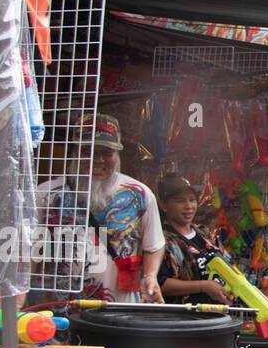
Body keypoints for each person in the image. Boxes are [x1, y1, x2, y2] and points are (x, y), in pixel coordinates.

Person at [84, 114, 165, 304]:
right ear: (74, 152)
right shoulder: (48, 195)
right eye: (89, 151)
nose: (98, 160)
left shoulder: (140, 195)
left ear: (117, 154)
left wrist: (150, 276)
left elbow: (154, 244)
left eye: (106, 152)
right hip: (58, 313)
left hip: (119, 308)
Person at [155, 175, 232, 305]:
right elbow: (160, 283)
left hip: (216, 317)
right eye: (180, 201)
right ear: (164, 205)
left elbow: (228, 264)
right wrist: (204, 286)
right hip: (183, 320)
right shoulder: (160, 240)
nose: (189, 206)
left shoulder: (206, 234)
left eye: (192, 200)